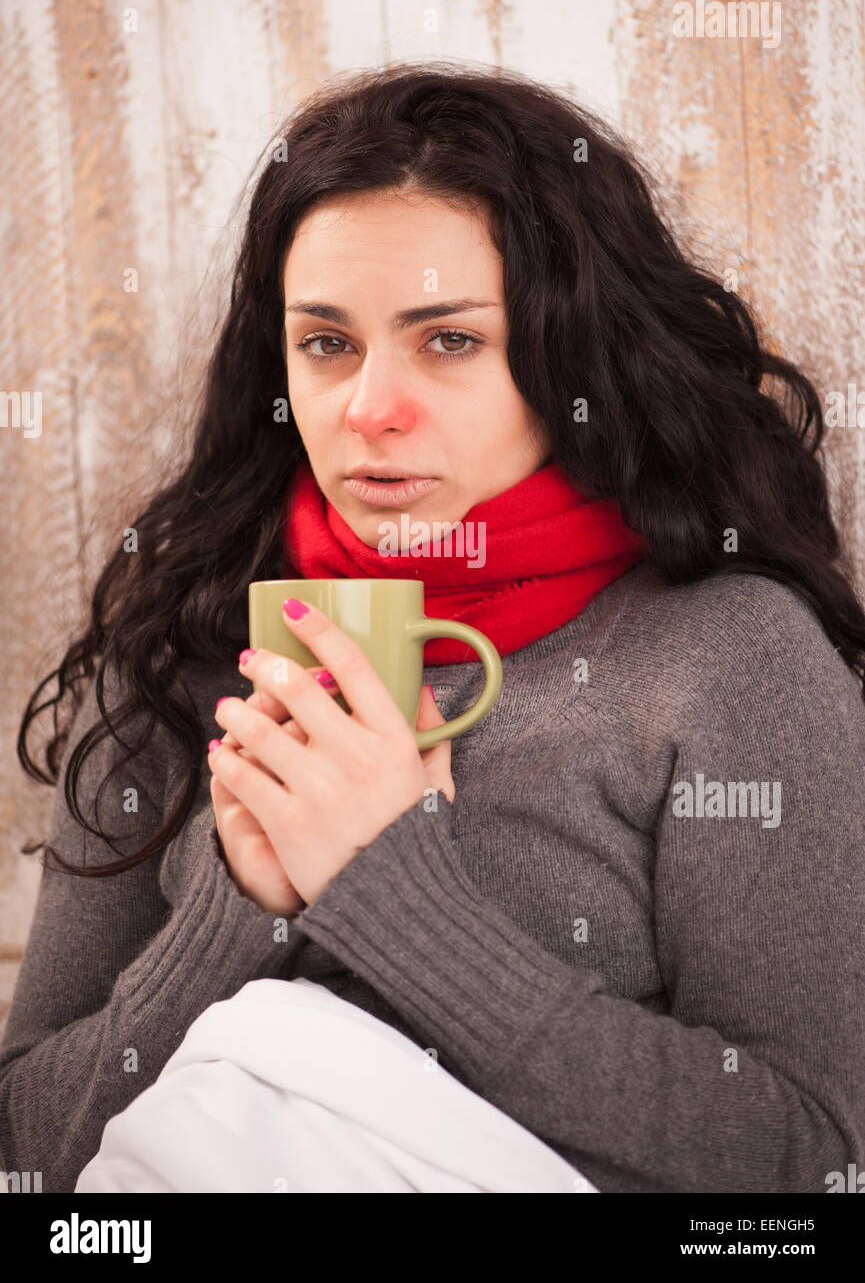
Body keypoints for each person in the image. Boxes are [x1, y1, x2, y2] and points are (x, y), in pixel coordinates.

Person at [2, 62, 863, 1195]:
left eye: (448, 340)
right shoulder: (177, 650)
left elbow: (806, 1166)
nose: (368, 408)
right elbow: (22, 1154)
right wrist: (239, 906)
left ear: (572, 356)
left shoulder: (729, 661)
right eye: (325, 343)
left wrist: (392, 893)